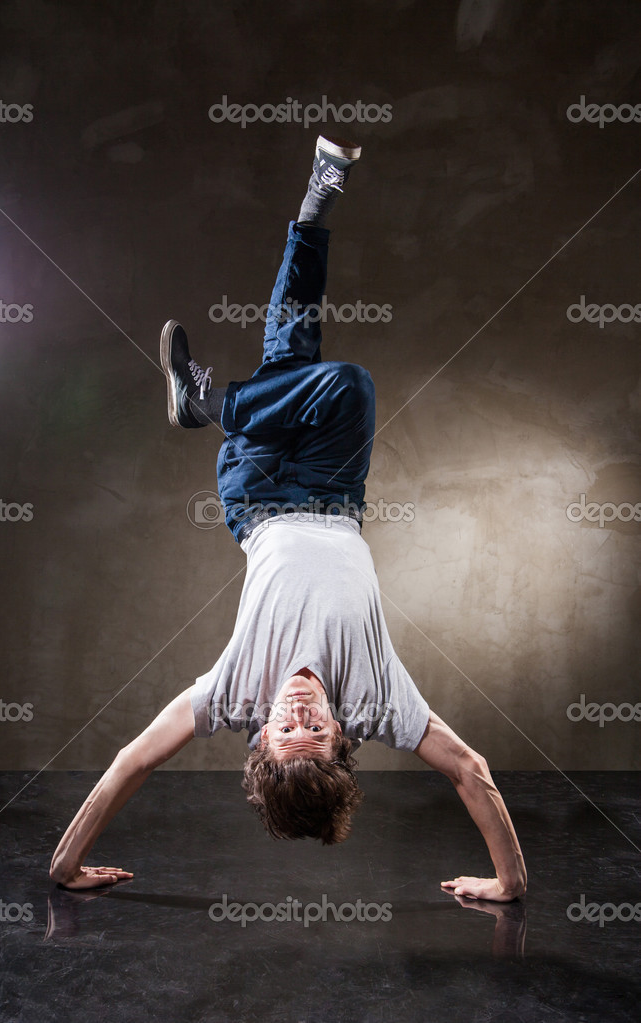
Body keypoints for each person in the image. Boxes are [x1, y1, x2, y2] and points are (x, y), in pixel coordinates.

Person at [49, 137, 527, 903]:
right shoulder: (380, 700)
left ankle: (210, 404)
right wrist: (512, 883)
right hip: (336, 491)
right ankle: (315, 200)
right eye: (316, 731)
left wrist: (62, 866)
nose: (300, 715)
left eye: (286, 732)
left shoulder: (233, 692)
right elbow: (473, 771)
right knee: (306, 361)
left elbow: (130, 762)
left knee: (326, 377)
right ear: (344, 738)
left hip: (260, 492)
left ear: (259, 741)